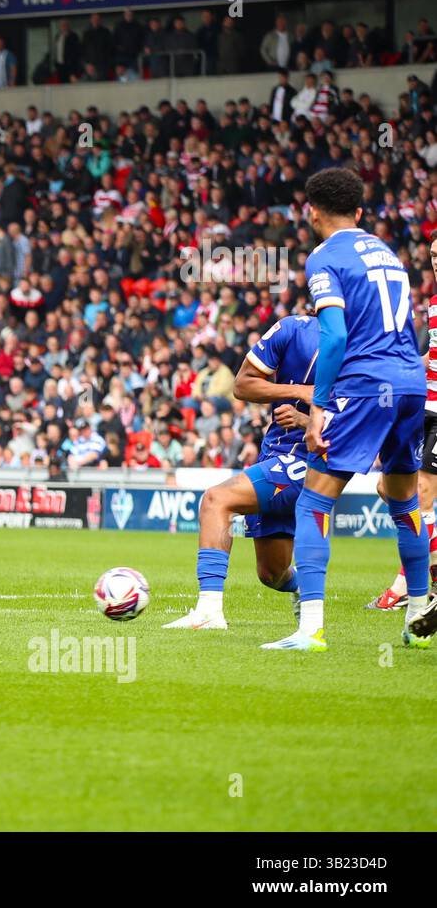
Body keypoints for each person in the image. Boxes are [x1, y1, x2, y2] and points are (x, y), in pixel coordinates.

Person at [283, 168, 432, 652]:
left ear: (312, 211)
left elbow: (336, 335)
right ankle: (417, 618)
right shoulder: (387, 253)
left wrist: (321, 404)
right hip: (411, 382)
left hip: (367, 384)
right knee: (404, 501)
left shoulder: (325, 257)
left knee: (314, 501)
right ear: (361, 212)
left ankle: (310, 630)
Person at [165, 315, 316, 630]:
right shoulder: (292, 330)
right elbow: (242, 385)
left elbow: (365, 416)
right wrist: (300, 392)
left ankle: (208, 611)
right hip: (273, 454)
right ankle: (305, 588)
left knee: (216, 500)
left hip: (312, 461)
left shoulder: (364, 349)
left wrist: (309, 421)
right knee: (272, 574)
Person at [367, 257, 437, 612]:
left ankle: (404, 588)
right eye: (434, 256)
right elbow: (432, 357)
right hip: (422, 407)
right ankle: (432, 566)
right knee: (387, 487)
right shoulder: (435, 304)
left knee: (421, 495)